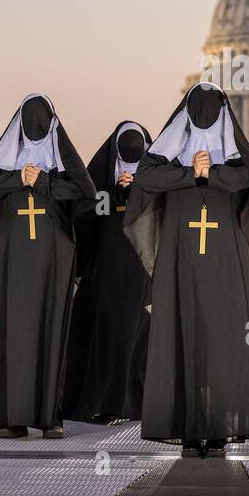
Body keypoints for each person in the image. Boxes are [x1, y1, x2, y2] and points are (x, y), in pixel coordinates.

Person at [124, 82, 249, 457]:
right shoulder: (167, 156)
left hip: (224, 260)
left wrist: (210, 175)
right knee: (183, 335)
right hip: (181, 260)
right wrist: (192, 173)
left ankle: (219, 428)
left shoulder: (236, 154)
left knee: (223, 339)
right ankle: (187, 428)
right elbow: (145, 179)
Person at [0, 94, 95, 439]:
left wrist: (41, 181)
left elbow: (85, 190)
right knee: (9, 332)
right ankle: (11, 416)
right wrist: (18, 180)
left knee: (49, 329)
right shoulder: (6, 159)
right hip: (10, 258)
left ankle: (49, 416)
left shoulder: (59, 161)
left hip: (52, 259)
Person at [63, 120, 154, 423]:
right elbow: (86, 221)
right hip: (104, 272)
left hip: (142, 274)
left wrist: (136, 193)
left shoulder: (154, 181)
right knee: (104, 336)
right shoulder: (99, 179)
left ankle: (133, 403)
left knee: (135, 339)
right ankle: (102, 401)